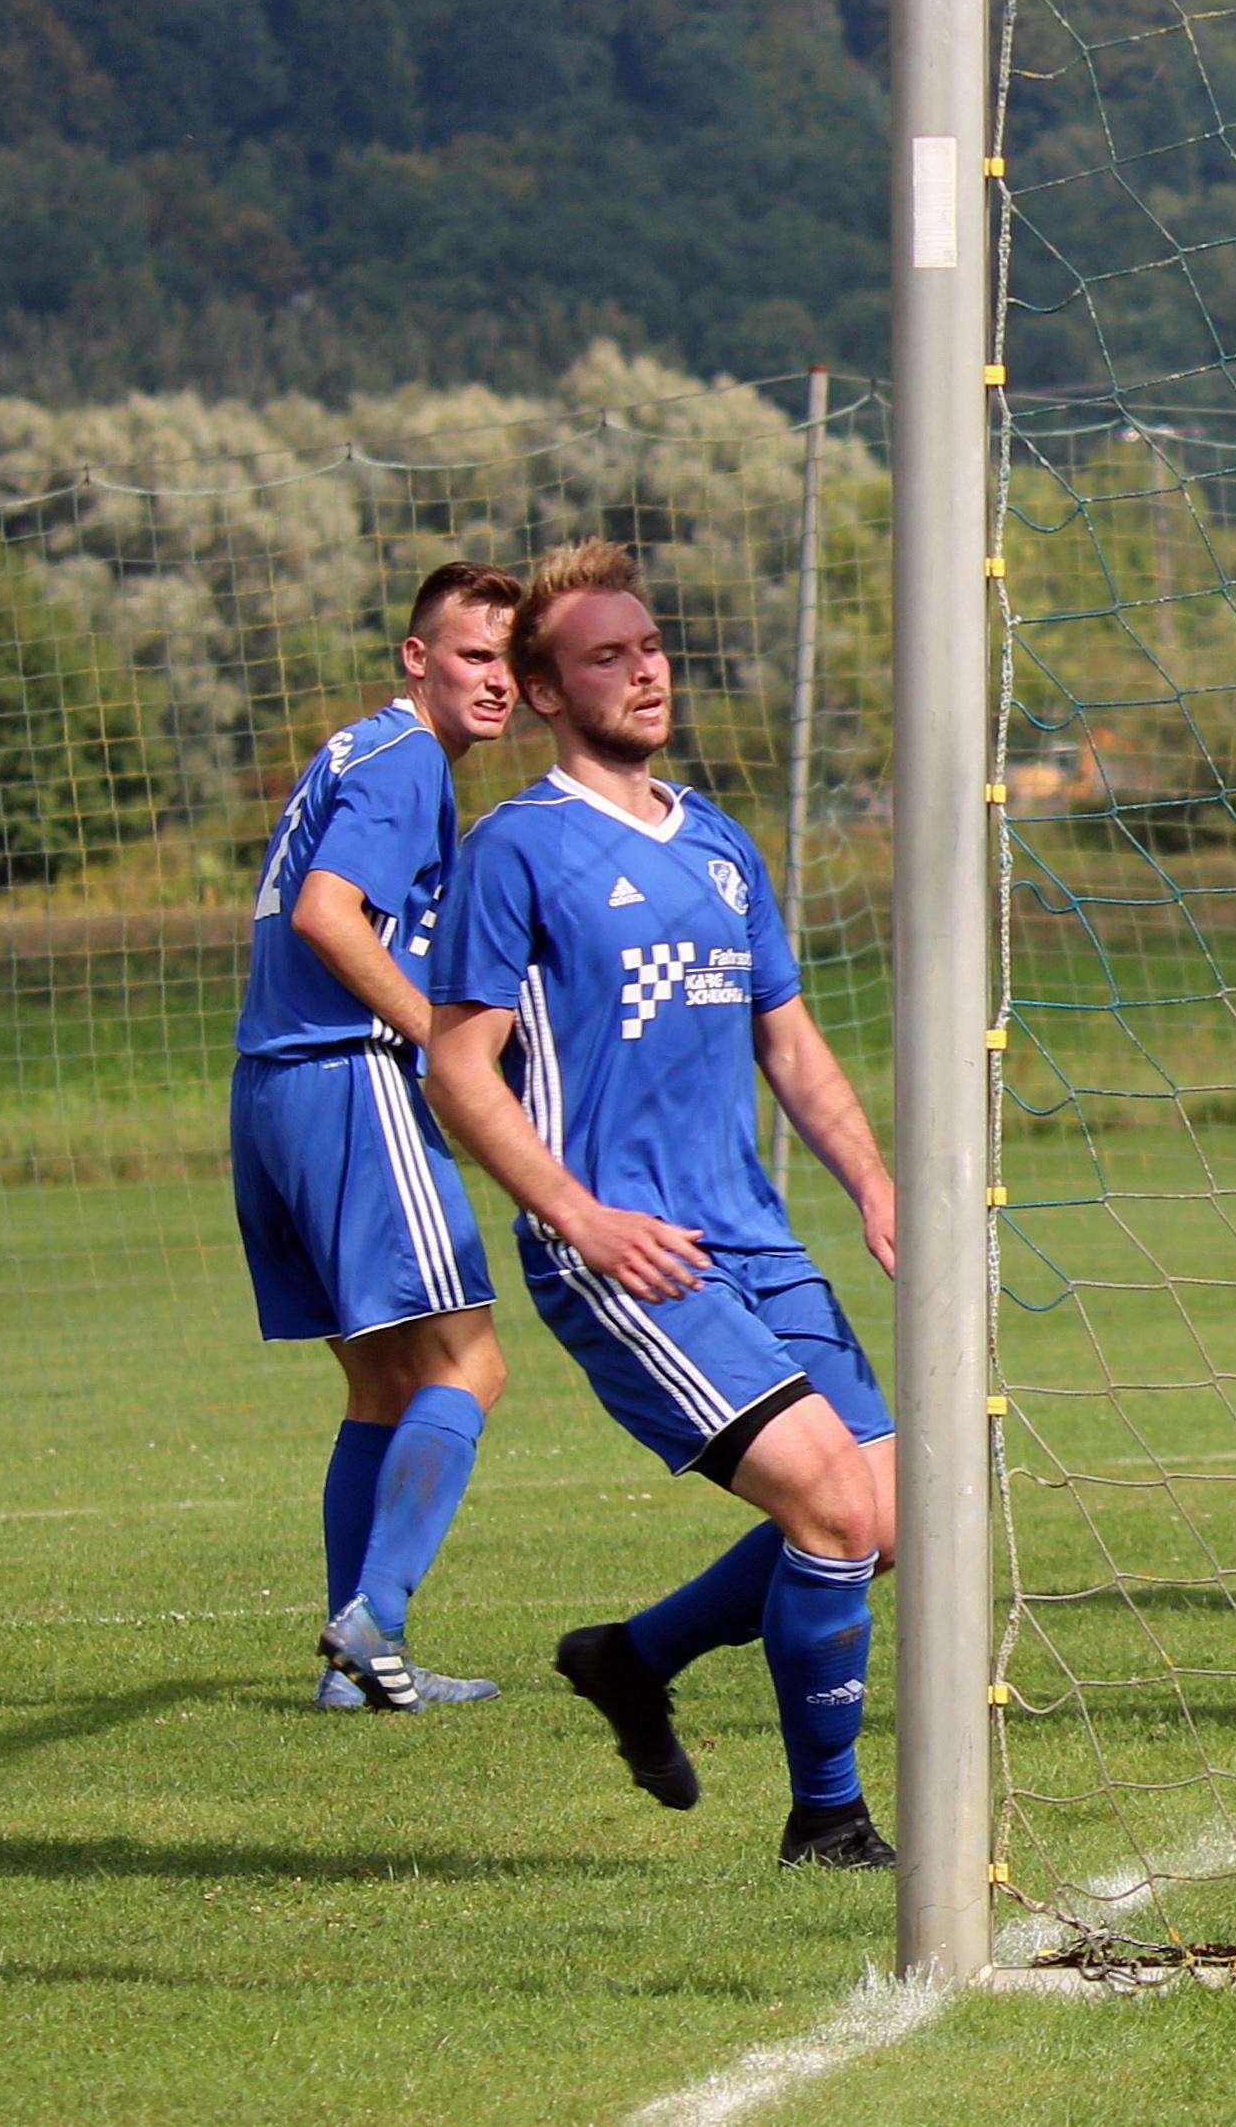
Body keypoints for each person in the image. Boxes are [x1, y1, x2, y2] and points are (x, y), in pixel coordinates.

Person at [424, 539, 902, 1869]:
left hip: (753, 1234)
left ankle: (634, 1659)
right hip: (627, 1254)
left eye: (648, 646)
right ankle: (827, 1820)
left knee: (890, 1515)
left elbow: (791, 1042)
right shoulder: (513, 850)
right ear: (540, 693)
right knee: (828, 1507)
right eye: (603, 656)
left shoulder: (720, 841)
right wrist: (578, 1217)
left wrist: (872, 1180)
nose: (641, 671)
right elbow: (457, 1068)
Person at [234, 560, 524, 1713]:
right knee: (471, 1363)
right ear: (417, 658)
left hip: (270, 1089)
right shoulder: (408, 760)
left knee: (381, 1383)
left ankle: (359, 1672)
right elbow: (325, 912)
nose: (496, 682)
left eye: (511, 662)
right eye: (473, 656)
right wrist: (441, 1042)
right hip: (347, 1080)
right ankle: (377, 1613)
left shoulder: (353, 750)